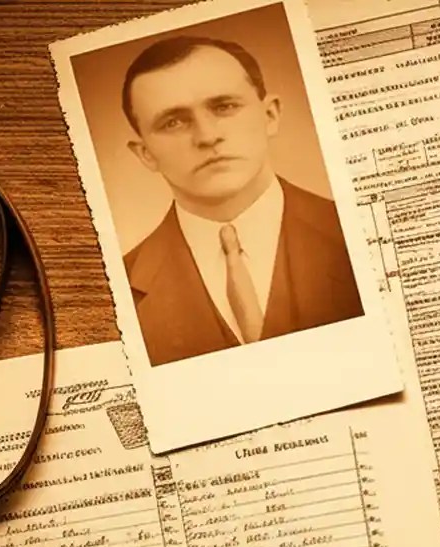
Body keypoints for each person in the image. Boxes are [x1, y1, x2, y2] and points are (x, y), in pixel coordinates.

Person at [120, 34, 364, 366]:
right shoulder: (119, 291)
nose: (207, 136)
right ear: (146, 154)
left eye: (224, 107)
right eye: (173, 122)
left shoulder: (362, 232)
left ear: (270, 115)